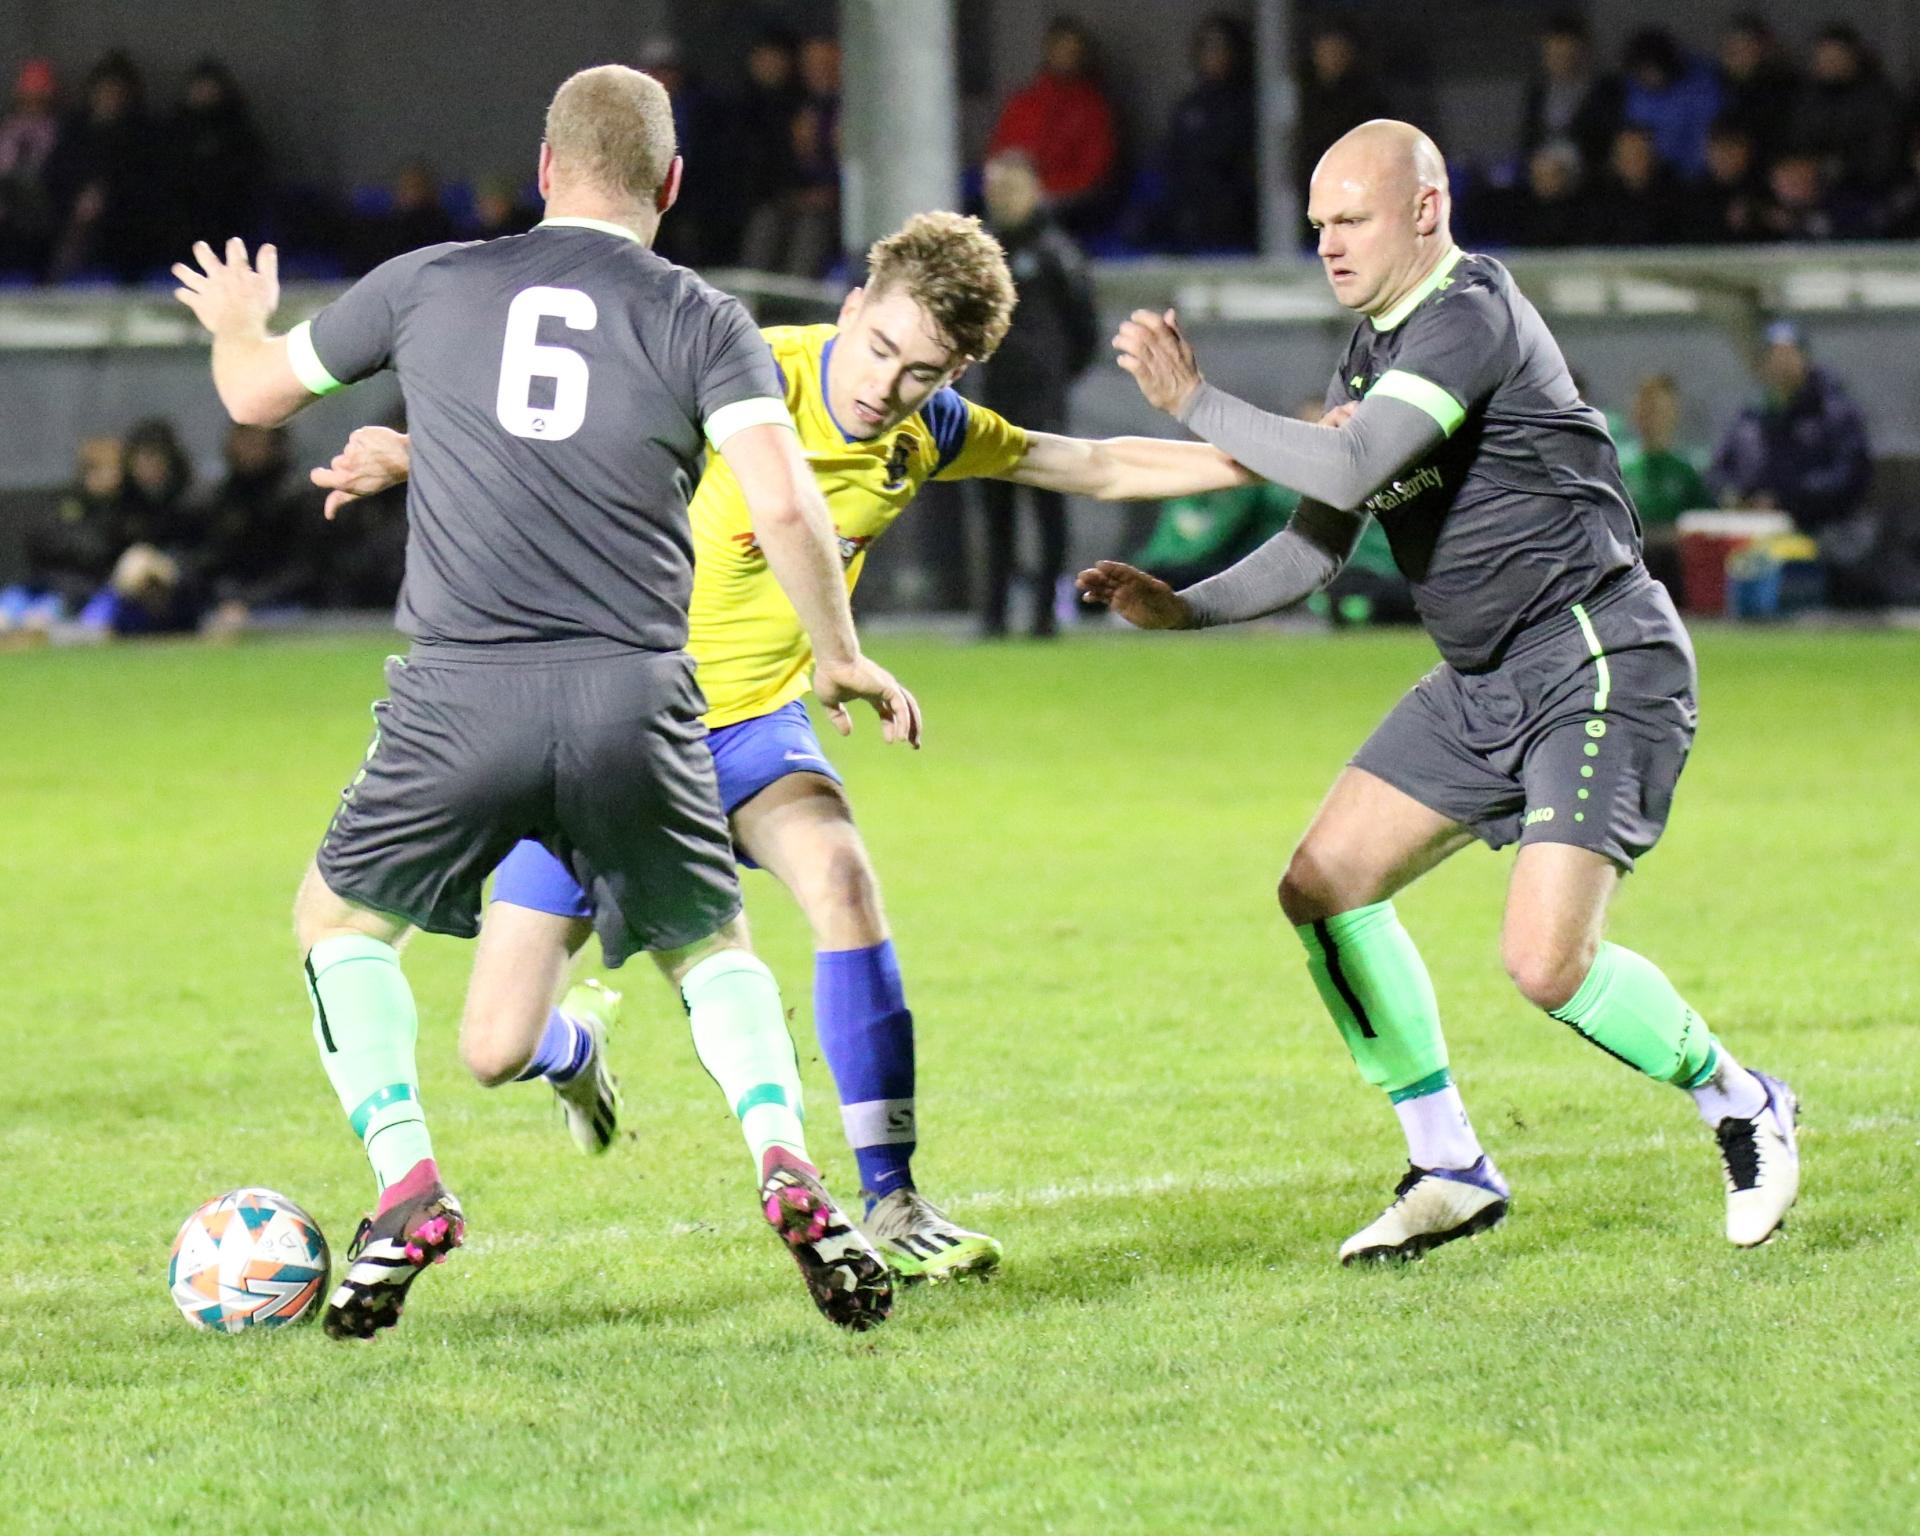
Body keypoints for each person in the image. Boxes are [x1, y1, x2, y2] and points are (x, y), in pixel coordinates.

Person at [316, 209, 1261, 1280]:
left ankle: (893, 1198)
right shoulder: (741, 366)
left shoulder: (931, 429)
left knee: (843, 879)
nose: (887, 386)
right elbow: (545, 419)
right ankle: (576, 1051)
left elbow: (1088, 465)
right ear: (851, 308)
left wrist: (1281, 456)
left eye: (924, 372)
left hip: (754, 724)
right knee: (492, 1049)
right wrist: (412, 448)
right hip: (611, 723)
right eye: (879, 349)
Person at [170, 64, 918, 1339]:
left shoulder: (432, 282)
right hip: (636, 694)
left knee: (337, 926)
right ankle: (786, 1162)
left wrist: (240, 318)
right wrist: (837, 650)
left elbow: (252, 396)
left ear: (541, 165)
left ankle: (407, 1179)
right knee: (708, 947)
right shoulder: (702, 316)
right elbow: (787, 502)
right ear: (673, 185)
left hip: (461, 695)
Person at [1080, 120, 1800, 1262]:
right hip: (1481, 680)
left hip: (1593, 658)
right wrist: (1187, 605)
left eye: (1349, 218)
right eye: (1316, 224)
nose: (1327, 243)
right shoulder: (1371, 354)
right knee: (1321, 885)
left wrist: (1199, 405)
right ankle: (1450, 1165)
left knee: (1546, 964)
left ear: (1426, 209)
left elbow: (1357, 464)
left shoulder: (1471, 314)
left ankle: (1741, 1102)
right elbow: (1320, 543)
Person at [976, 151, 1100, 638]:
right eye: (994, 189)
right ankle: (994, 615)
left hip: (1041, 401)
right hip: (990, 402)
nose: (1000, 198)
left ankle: (1047, 615)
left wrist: (1052, 376)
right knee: (996, 516)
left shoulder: (1055, 253)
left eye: (1009, 188)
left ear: (1033, 191)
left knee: (1048, 508)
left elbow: (1084, 328)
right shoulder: (983, 253)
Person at [1710, 321, 1873, 596]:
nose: (1781, 364)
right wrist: (1735, 497)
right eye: (1774, 356)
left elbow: (1848, 477)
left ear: (1804, 358)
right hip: (1751, 535)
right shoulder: (1750, 420)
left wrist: (1786, 501)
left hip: (1820, 534)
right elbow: (1718, 473)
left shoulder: (1834, 415)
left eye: (1789, 355)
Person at [986, 15, 1119, 237]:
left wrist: (1044, 194)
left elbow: (1094, 173)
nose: (1066, 57)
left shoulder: (1094, 108)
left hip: (1068, 206)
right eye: (1060, 48)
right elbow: (999, 157)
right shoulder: (1024, 102)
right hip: (1017, 200)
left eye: (1072, 51)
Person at [1145, 13, 1259, 254]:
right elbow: (1172, 161)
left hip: (1233, 217)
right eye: (1209, 48)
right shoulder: (1189, 107)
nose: (1216, 56)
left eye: (1222, 48)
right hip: (1187, 212)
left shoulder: (1251, 107)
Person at [1617, 373, 1709, 594]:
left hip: (1676, 574)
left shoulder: (1687, 471)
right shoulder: (1620, 467)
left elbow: (1702, 525)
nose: (1653, 419)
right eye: (1646, 410)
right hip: (1631, 571)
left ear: (1673, 414)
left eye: (1659, 411)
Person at [1517, 14, 1622, 174]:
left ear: (1581, 52)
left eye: (1564, 55)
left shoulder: (1605, 92)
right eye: (1551, 55)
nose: (1557, 62)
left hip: (1588, 178)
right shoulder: (1538, 93)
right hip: (1543, 177)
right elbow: (1528, 139)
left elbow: (1606, 143)